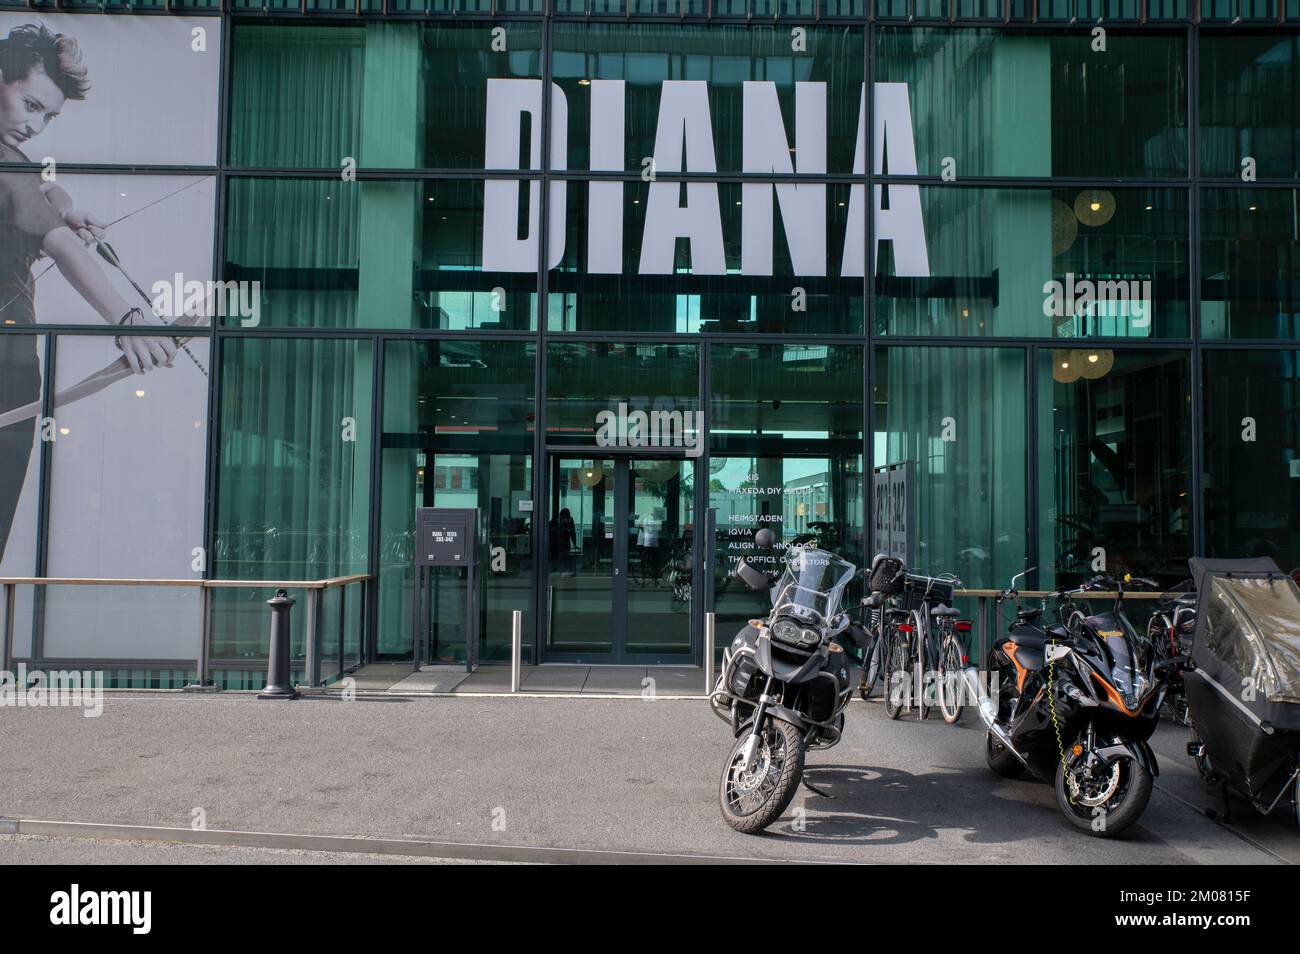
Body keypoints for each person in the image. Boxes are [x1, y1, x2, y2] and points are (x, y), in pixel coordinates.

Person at [0, 23, 178, 564]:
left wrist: (64, 203)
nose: (35, 124)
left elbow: (47, 198)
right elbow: (60, 243)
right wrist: (128, 317)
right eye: (30, 104)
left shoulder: (17, 168)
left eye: (48, 116)